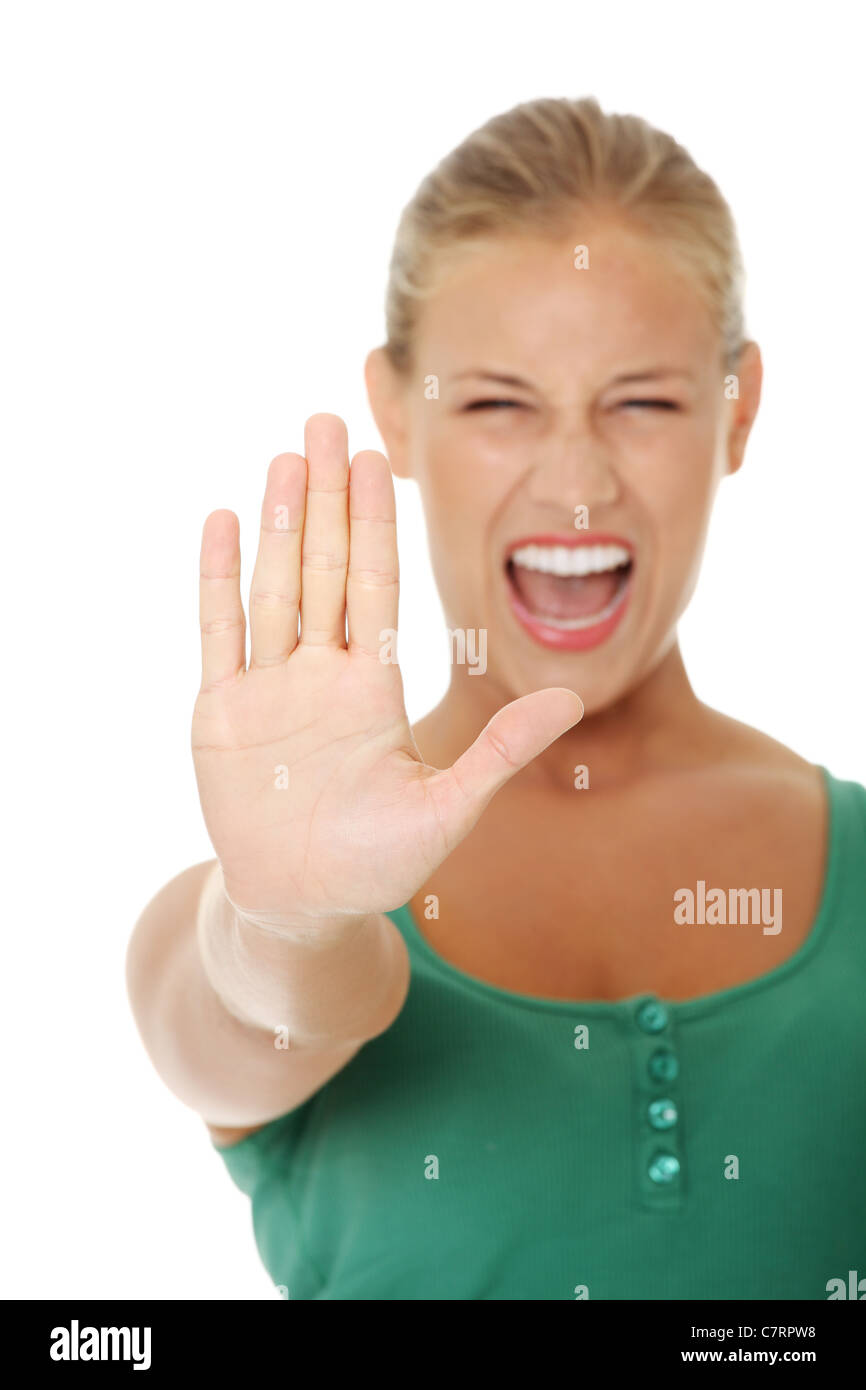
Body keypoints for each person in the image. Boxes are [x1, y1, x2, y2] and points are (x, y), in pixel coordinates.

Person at [126, 96, 866, 1300]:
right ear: (395, 410)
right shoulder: (257, 910)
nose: (574, 484)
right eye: (494, 403)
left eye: (642, 402)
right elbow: (231, 1016)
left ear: (736, 409)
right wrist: (294, 918)